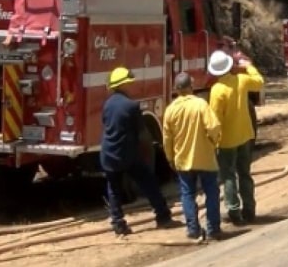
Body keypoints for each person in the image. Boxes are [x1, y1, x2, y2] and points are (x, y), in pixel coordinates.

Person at [101, 67, 178, 236]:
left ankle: (118, 224)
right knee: (149, 182)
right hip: (128, 155)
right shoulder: (132, 106)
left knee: (113, 189)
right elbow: (142, 133)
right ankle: (163, 216)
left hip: (108, 155)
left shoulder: (107, 105)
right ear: (124, 85)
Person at [162, 73, 223, 241]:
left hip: (182, 160)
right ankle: (213, 229)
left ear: (176, 89)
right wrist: (214, 142)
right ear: (191, 86)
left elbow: (167, 138)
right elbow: (214, 127)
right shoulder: (200, 105)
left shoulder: (170, 110)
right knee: (211, 192)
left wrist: (170, 158)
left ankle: (193, 229)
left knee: (187, 194)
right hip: (204, 157)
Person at [207, 50, 264, 225]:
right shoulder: (242, 80)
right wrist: (248, 66)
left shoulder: (217, 90)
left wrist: (212, 140)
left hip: (226, 141)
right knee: (245, 173)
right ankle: (249, 209)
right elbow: (259, 82)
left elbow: (214, 119)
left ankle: (233, 210)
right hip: (245, 135)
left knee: (229, 176)